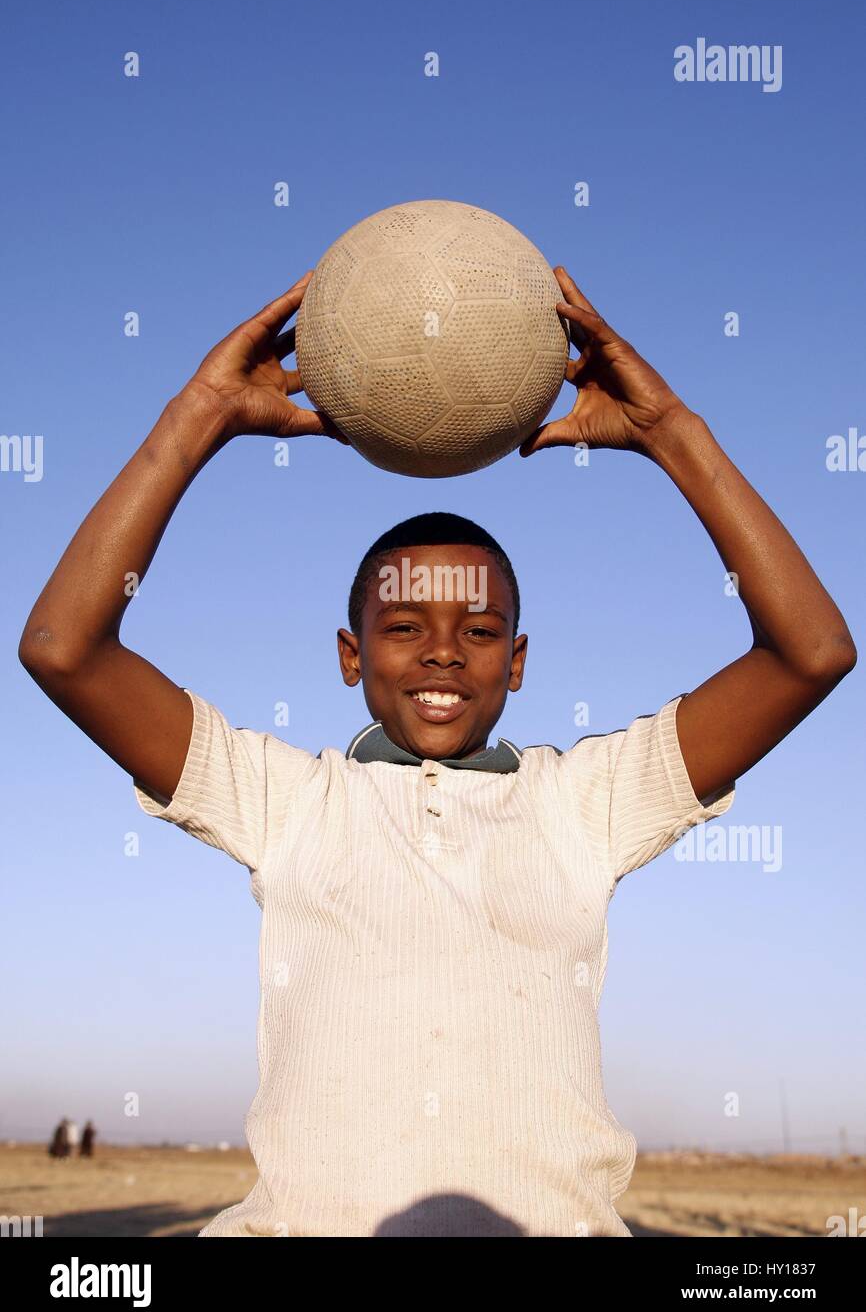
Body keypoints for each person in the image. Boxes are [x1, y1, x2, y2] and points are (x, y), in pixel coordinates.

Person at [19, 270, 856, 1237]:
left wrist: (675, 435)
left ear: (521, 661)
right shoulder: (286, 801)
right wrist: (198, 414)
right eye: (404, 625)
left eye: (482, 629)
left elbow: (811, 652)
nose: (445, 653)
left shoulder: (584, 802)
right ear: (349, 657)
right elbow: (64, 649)